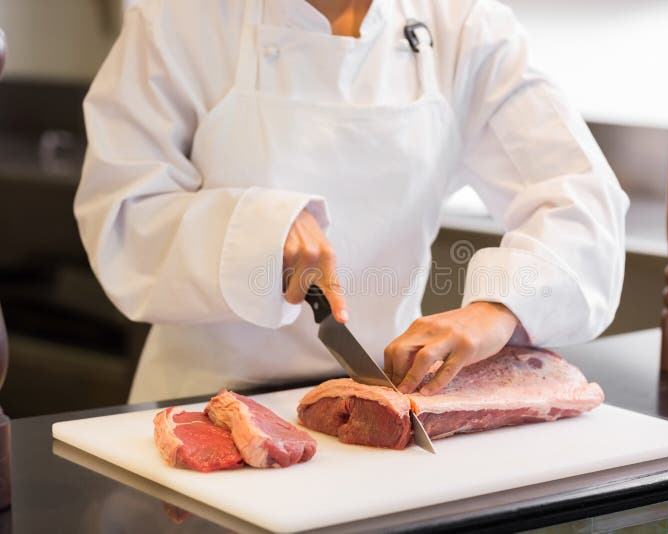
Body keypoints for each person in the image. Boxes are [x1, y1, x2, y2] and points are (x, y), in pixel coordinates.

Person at [75, 0, 629, 403]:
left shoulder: (465, 27)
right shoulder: (178, 20)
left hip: (384, 402)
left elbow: (581, 194)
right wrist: (258, 234)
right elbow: (123, 213)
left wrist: (501, 307)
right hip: (200, 405)